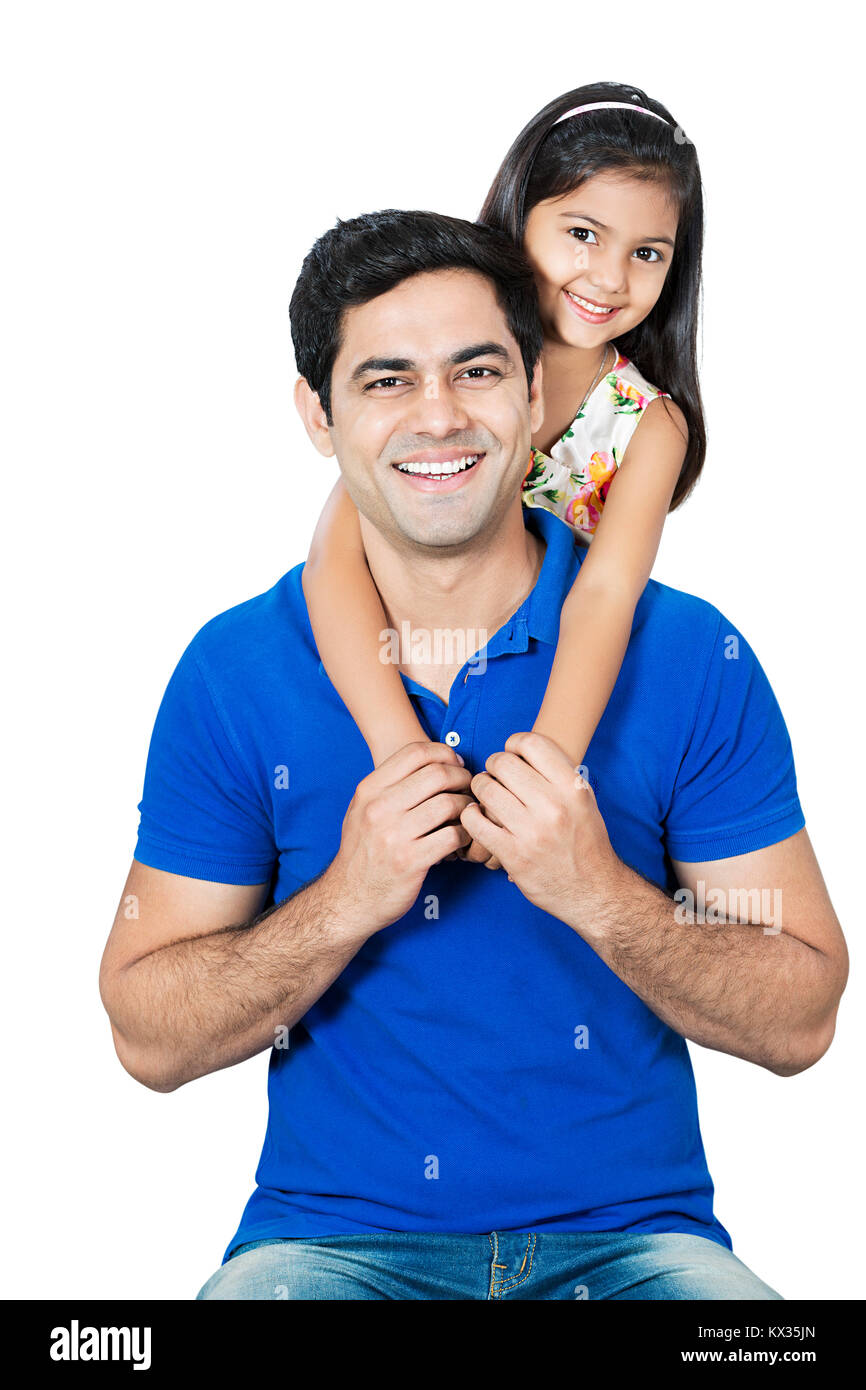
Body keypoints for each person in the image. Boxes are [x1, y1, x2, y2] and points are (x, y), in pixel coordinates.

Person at [99, 209, 847, 1301]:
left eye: (476, 370)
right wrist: (346, 895)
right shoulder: (236, 667)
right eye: (385, 380)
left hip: (638, 1249)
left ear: (538, 392)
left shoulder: (689, 654)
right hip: (329, 1252)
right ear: (317, 414)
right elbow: (146, 1036)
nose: (437, 416)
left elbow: (801, 1016)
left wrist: (598, 892)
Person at [302, 82, 698, 873]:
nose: (610, 278)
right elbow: (333, 564)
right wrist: (401, 758)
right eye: (583, 233)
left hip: (551, 681)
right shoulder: (440, 374)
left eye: (646, 253)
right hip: (407, 670)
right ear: (520, 215)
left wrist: (541, 773)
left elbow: (605, 593)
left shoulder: (648, 425)